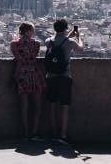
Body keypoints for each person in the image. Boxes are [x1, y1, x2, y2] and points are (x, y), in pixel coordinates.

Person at [44, 17, 84, 145]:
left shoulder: (48, 41)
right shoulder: (71, 42)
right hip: (65, 76)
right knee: (64, 106)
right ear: (66, 29)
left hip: (51, 76)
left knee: (52, 105)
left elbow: (57, 40)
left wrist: (68, 35)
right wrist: (78, 37)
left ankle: (53, 133)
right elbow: (81, 48)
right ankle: (63, 135)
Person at [10, 21, 45, 141]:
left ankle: (25, 133)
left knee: (24, 106)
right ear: (27, 31)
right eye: (32, 30)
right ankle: (34, 132)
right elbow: (33, 56)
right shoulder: (37, 44)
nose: (33, 32)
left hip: (21, 75)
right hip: (34, 75)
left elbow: (17, 57)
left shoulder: (14, 44)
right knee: (37, 106)